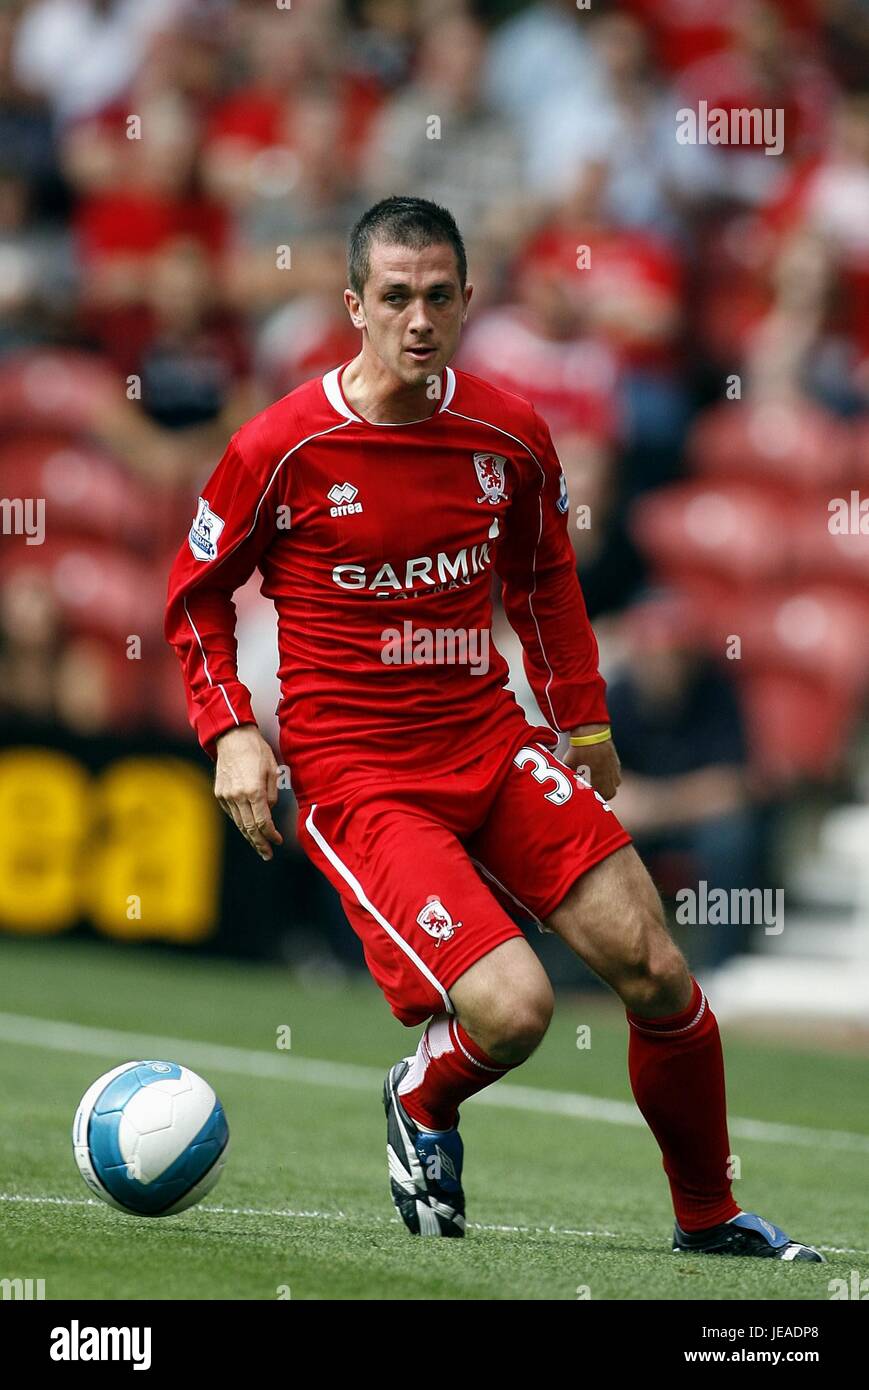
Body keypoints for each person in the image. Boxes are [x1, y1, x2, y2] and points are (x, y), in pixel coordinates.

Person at [165, 196, 821, 1260]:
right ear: (353, 306)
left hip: (488, 736)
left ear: (467, 302)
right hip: (360, 774)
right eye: (393, 298)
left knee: (655, 968)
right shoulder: (280, 446)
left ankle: (706, 1218)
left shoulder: (509, 432)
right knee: (512, 1008)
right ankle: (422, 1096)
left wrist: (586, 722)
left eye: (436, 297)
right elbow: (194, 595)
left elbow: (542, 580)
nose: (416, 320)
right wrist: (231, 731)